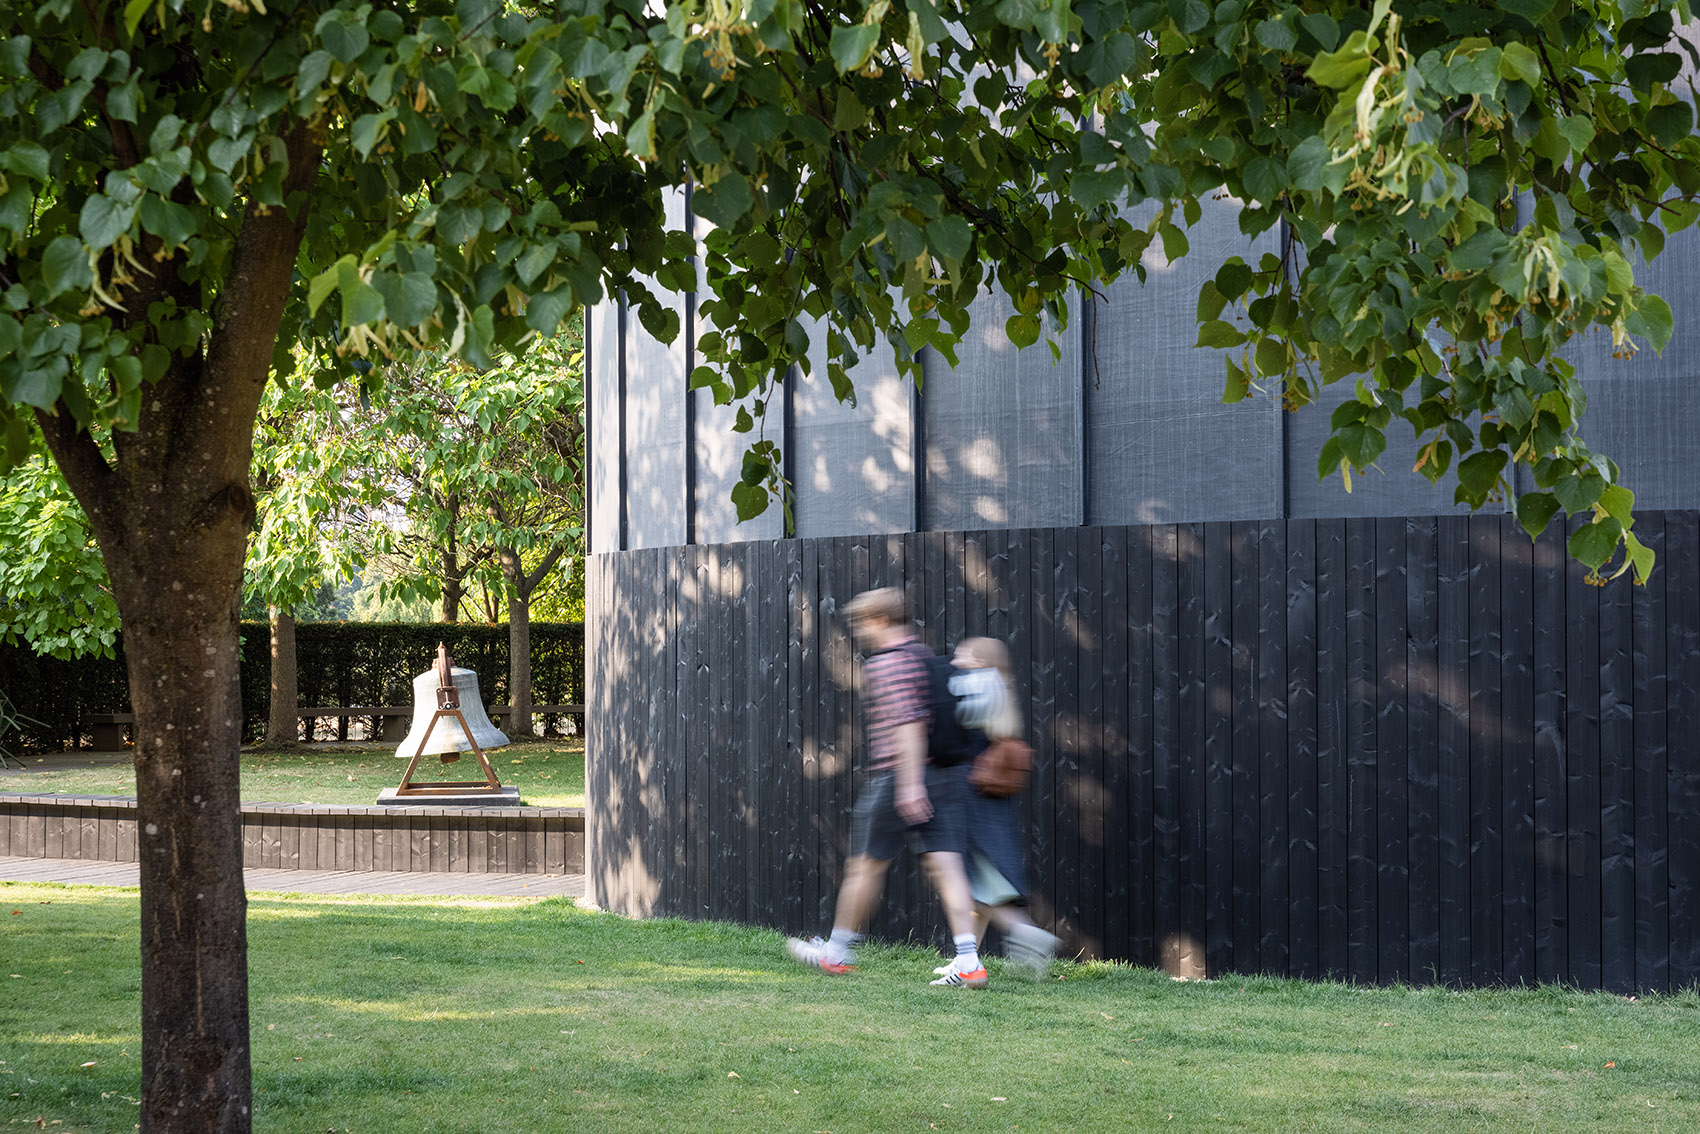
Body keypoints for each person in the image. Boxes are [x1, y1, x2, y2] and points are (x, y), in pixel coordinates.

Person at [785, 587, 990, 988]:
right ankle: (969, 961)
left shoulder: (888, 664)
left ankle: (836, 952)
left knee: (865, 865)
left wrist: (909, 785)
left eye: (862, 622)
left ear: (880, 620)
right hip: (943, 774)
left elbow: (909, 723)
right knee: (948, 867)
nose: (859, 631)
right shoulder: (923, 656)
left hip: (900, 776)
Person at [938, 636, 1061, 980]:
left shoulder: (972, 686)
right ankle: (965, 959)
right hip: (991, 800)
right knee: (984, 885)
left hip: (967, 795)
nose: (956, 659)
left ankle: (1025, 933)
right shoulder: (1000, 688)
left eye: (963, 654)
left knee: (970, 881)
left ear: (978, 659)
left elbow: (948, 732)